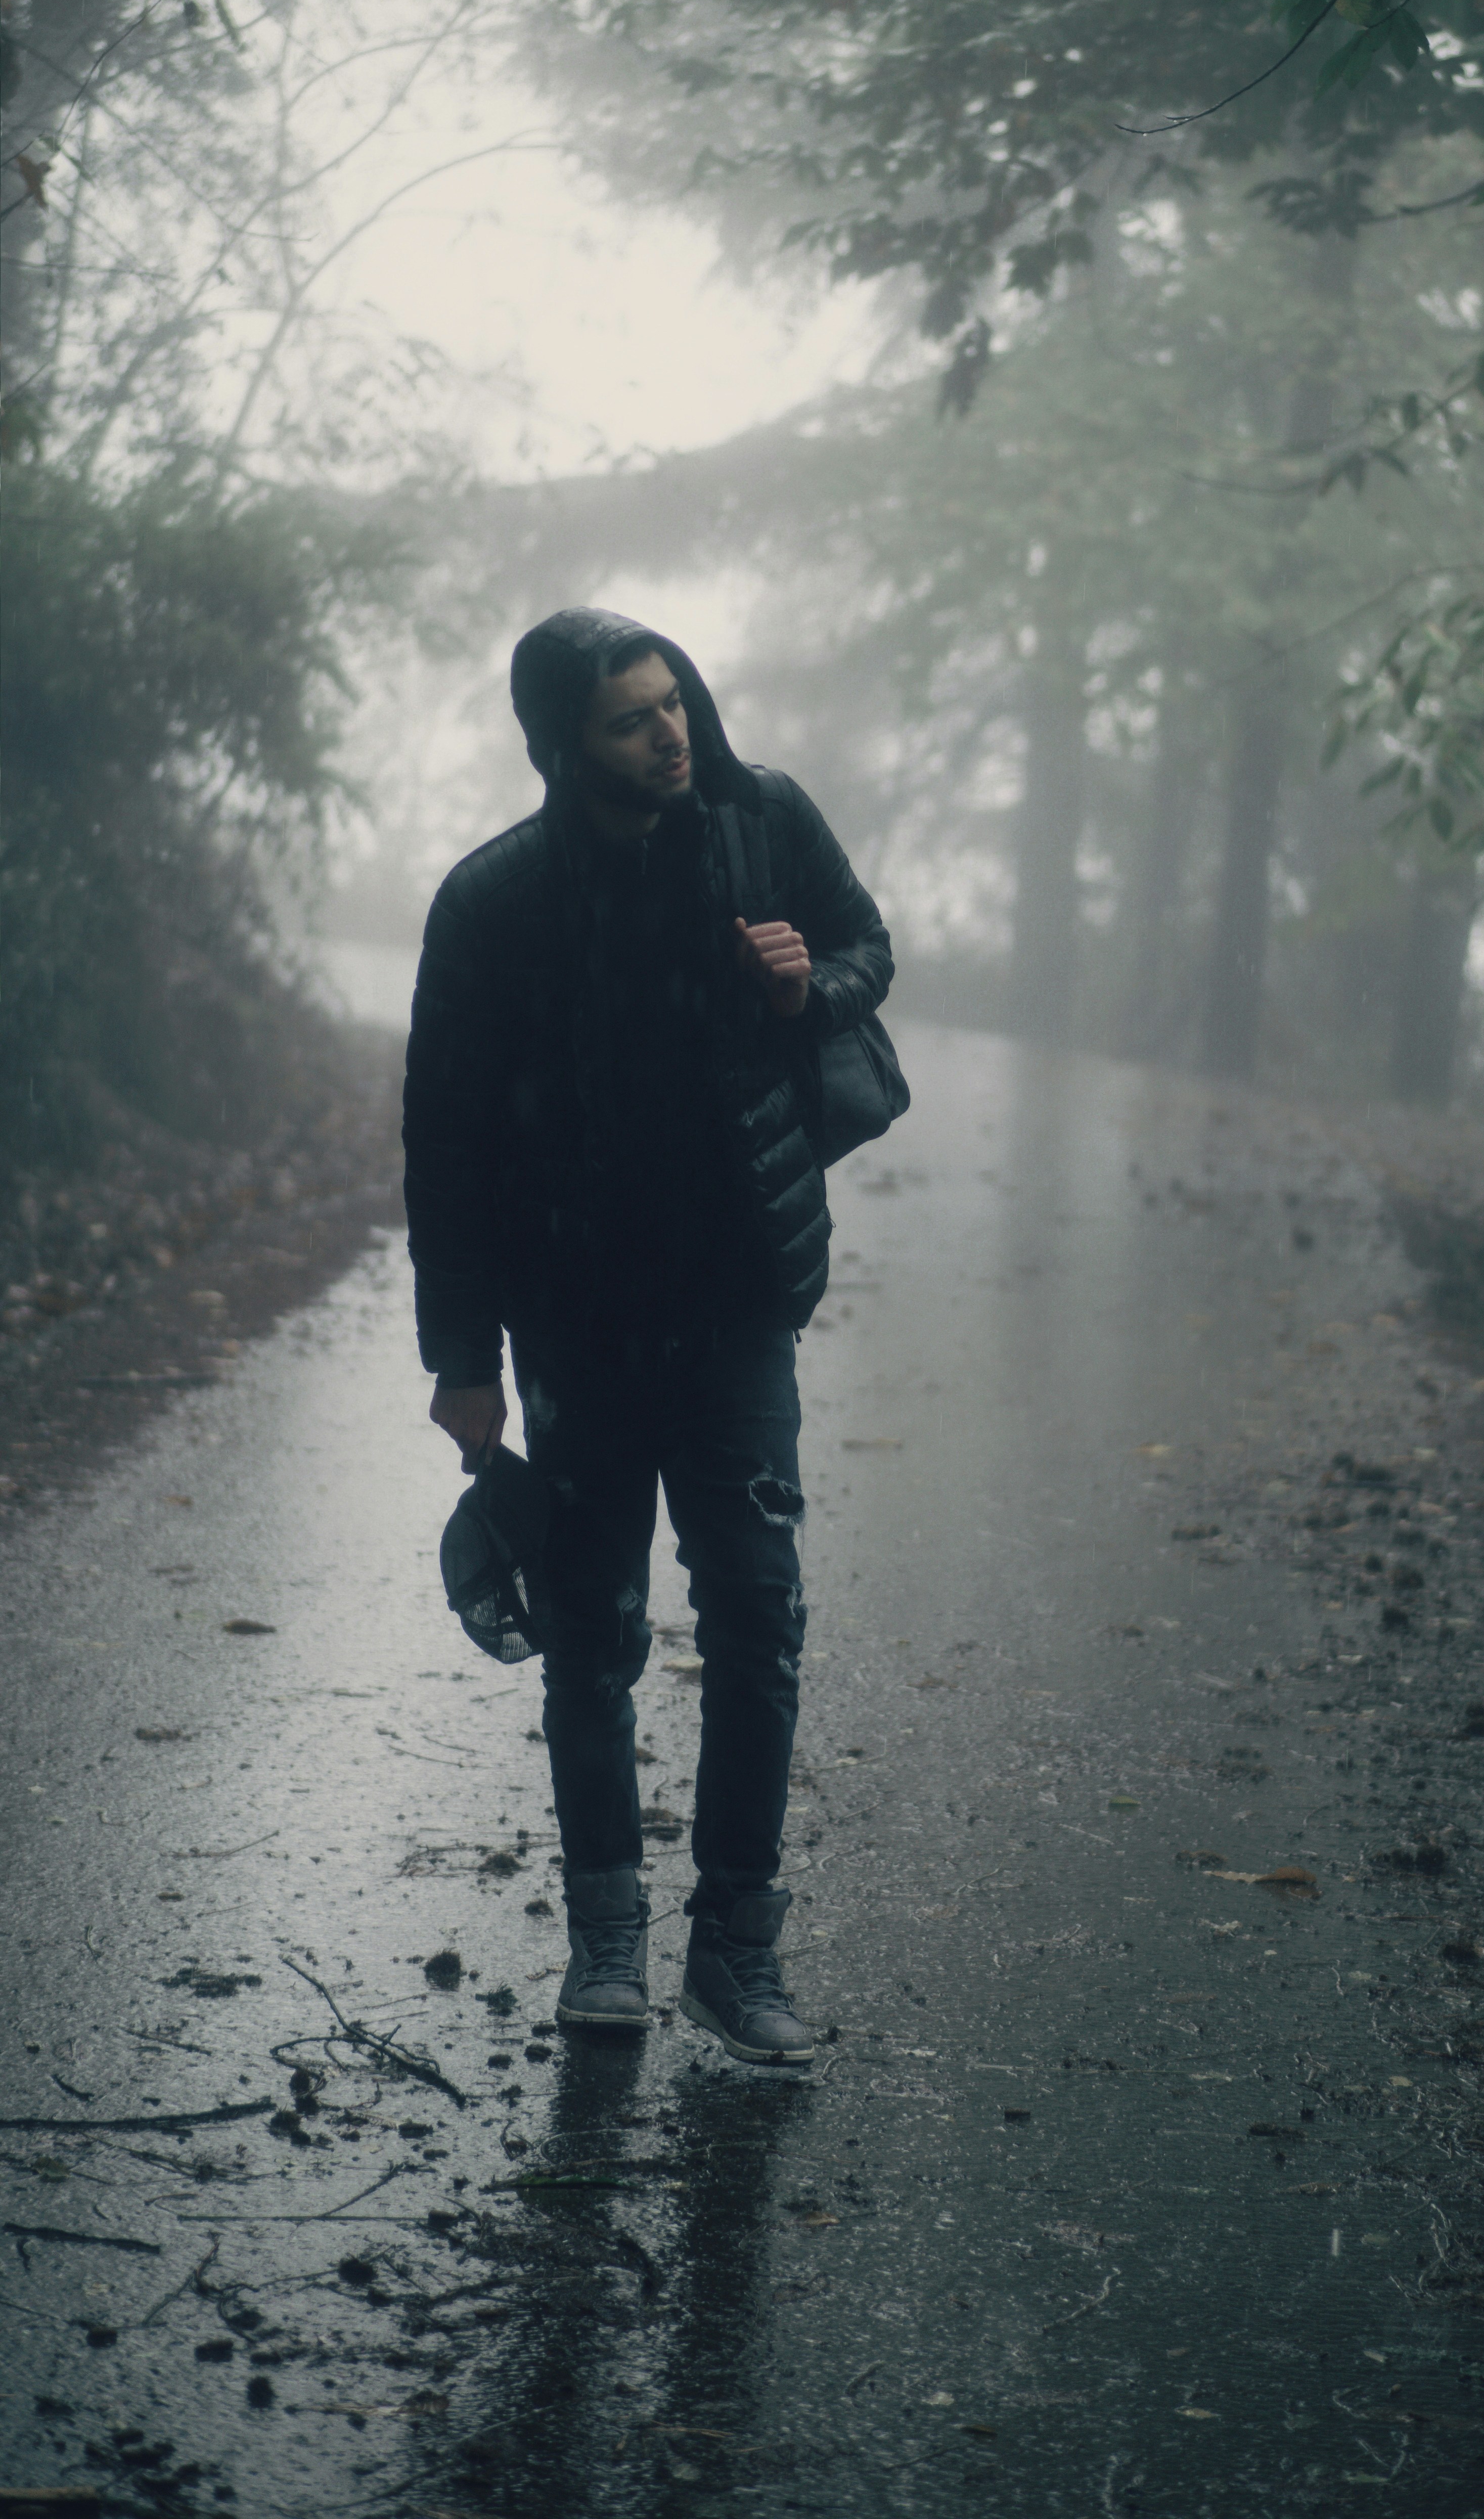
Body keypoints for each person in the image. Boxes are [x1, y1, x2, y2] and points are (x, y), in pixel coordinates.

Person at [401, 607, 893, 2060]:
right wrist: (461, 1360)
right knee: (593, 1634)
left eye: (675, 702)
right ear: (563, 743)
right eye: (630, 717)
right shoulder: (492, 904)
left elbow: (869, 948)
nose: (670, 733)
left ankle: (737, 1950)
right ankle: (605, 1939)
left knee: (757, 1619)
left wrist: (816, 985)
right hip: (578, 1324)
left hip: (738, 1302)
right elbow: (446, 1147)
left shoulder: (761, 824)